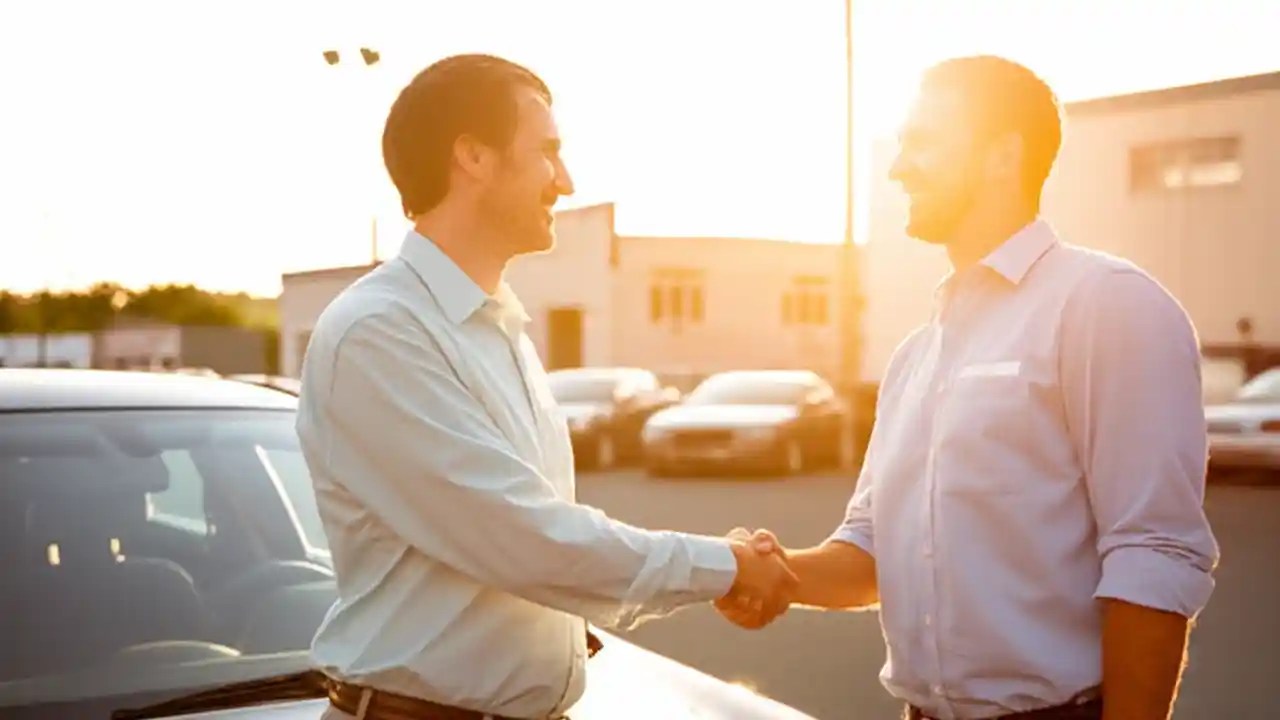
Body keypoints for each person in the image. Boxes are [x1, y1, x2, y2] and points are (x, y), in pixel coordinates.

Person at [294, 53, 797, 720]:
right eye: (548, 153)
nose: (565, 180)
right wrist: (727, 567)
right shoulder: (379, 332)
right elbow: (523, 540)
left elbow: (527, 558)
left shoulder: (497, 325)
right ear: (472, 156)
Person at [718, 55, 1220, 720]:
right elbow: (870, 551)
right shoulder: (916, 354)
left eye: (923, 142)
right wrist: (768, 574)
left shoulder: (1107, 306)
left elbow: (1153, 553)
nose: (899, 168)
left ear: (1002, 155)